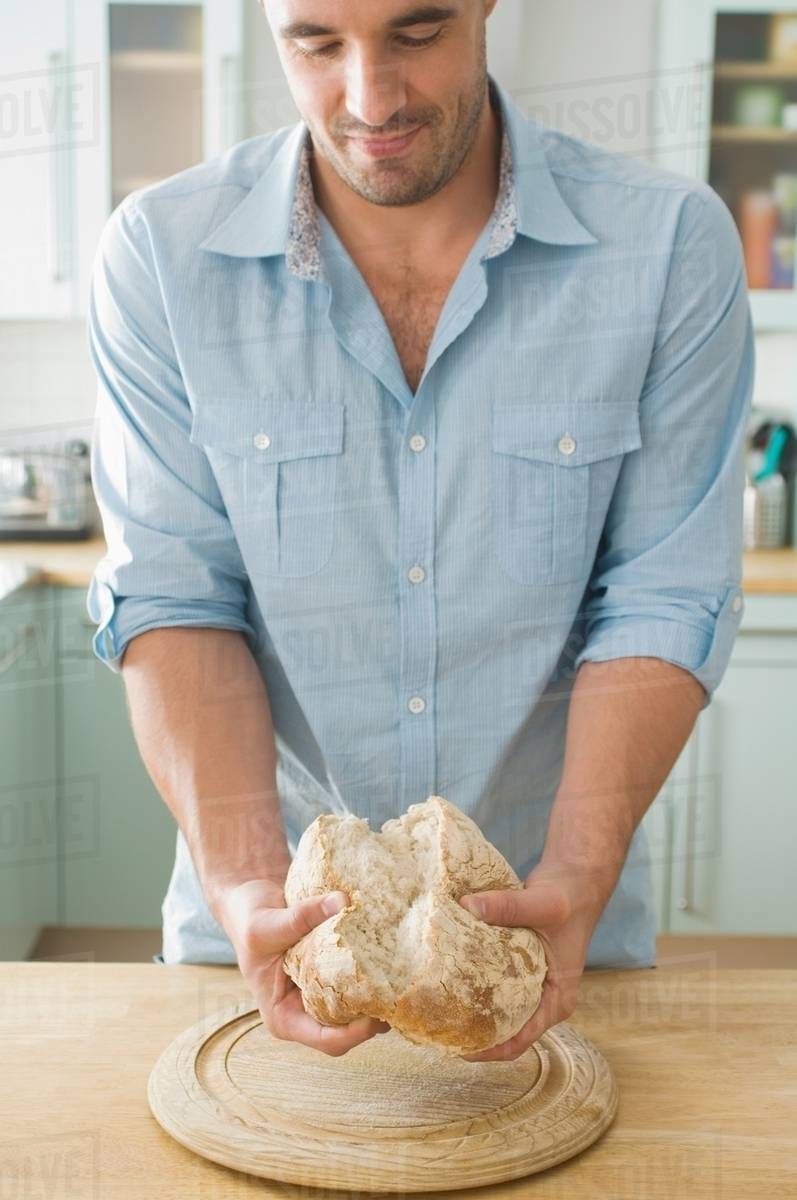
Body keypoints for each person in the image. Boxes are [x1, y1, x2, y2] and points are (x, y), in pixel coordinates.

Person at [86, 0, 754, 1062]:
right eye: (316, 43)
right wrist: (251, 887)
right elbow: (175, 601)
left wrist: (574, 875)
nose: (369, 98)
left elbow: (662, 600)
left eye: (415, 30)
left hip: (548, 940)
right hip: (258, 944)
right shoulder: (160, 258)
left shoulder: (666, 246)